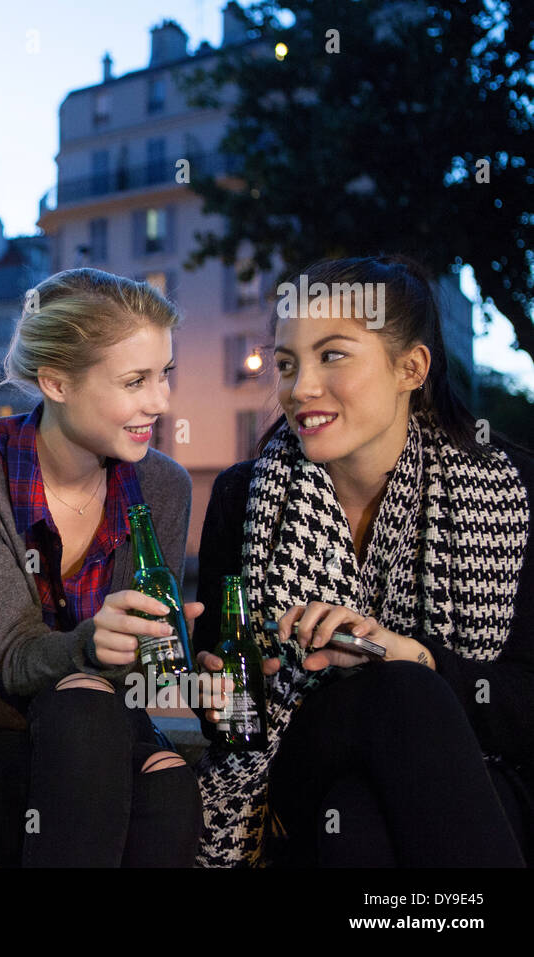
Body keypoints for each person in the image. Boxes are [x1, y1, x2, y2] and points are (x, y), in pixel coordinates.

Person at [195, 255, 533, 867]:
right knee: (400, 695)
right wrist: (218, 686)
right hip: (294, 764)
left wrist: (415, 656)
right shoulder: (242, 497)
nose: (299, 389)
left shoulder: (514, 493)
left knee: (355, 827)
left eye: (333, 355)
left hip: (474, 775)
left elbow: (524, 705)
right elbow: (225, 712)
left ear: (412, 367)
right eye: (287, 363)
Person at [0, 268, 208, 867]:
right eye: (136, 380)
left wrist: (171, 653)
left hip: (100, 723)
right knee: (94, 723)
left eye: (164, 374)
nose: (161, 401)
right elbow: (17, 654)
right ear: (56, 382)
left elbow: (139, 677)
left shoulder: (163, 485)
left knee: (167, 783)